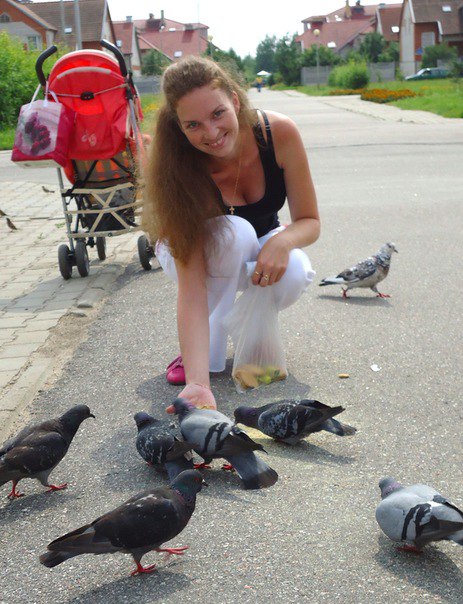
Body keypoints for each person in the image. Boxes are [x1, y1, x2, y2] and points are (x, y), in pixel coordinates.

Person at [142, 57, 320, 410]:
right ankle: (201, 356)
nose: (210, 133)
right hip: (188, 250)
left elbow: (309, 220)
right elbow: (193, 289)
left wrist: (283, 241)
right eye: (193, 125)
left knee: (295, 269)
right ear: (179, 126)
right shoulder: (179, 166)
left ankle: (253, 341)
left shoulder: (279, 133)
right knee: (234, 234)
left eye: (218, 114)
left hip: (259, 237)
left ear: (235, 101)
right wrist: (197, 383)